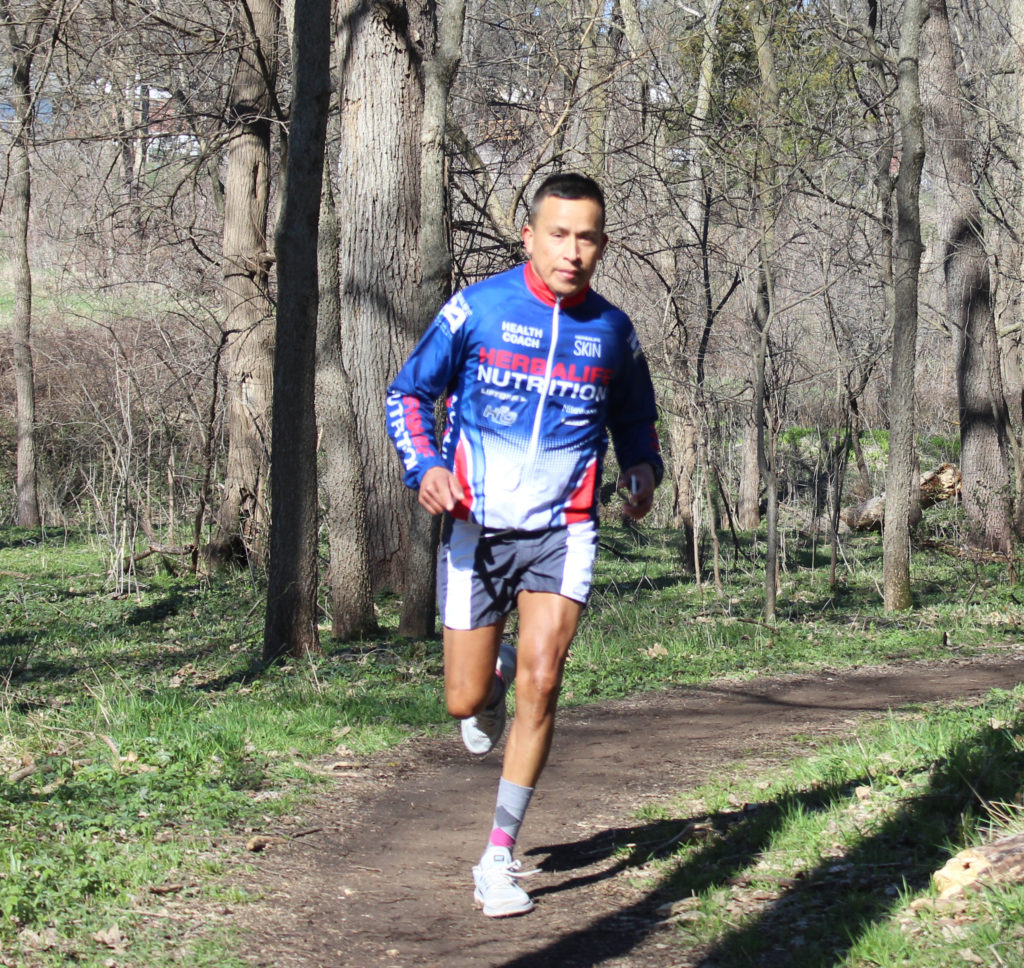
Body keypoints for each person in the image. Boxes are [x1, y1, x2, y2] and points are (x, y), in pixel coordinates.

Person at [385, 172, 662, 917]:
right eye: (560, 234)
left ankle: (498, 857)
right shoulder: (478, 308)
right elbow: (408, 395)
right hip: (479, 528)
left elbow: (636, 422)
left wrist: (641, 470)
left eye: (589, 237)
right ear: (529, 236)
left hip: (563, 530)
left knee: (545, 681)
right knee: (464, 700)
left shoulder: (613, 330)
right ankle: (491, 673)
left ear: (602, 243)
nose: (574, 251)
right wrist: (428, 466)